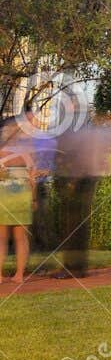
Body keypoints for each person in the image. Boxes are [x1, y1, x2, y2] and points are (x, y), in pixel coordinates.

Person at [0, 114, 44, 284]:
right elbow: (32, 179)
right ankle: (19, 275)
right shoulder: (28, 153)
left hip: (3, 195)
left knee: (1, 238)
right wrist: (33, 200)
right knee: (21, 238)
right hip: (22, 195)